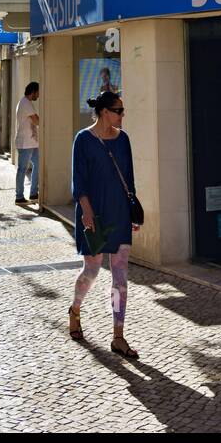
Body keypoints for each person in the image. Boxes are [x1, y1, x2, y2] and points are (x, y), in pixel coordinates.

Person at [68, 90, 140, 360]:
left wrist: (133, 213)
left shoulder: (124, 140)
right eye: (119, 110)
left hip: (120, 213)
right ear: (105, 112)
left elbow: (129, 179)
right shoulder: (83, 139)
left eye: (122, 110)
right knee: (92, 270)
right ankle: (75, 309)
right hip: (93, 215)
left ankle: (118, 336)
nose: (123, 115)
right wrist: (86, 211)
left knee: (120, 274)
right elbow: (79, 180)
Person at [15, 82, 40, 206]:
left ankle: (34, 193)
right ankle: (19, 197)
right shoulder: (26, 103)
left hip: (32, 142)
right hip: (25, 142)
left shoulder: (26, 102)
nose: (39, 95)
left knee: (39, 164)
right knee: (22, 169)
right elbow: (36, 121)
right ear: (33, 92)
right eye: (38, 92)